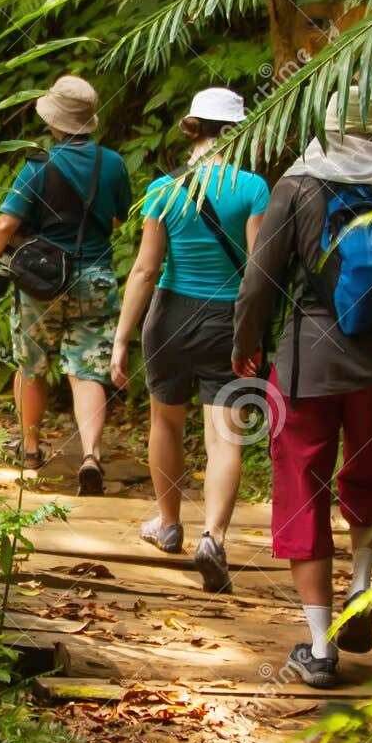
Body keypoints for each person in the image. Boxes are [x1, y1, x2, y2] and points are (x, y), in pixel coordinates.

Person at [232, 91, 372, 687]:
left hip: (306, 367)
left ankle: (320, 648)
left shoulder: (295, 187)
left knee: (302, 487)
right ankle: (361, 586)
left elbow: (259, 281)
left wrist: (246, 341)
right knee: (368, 475)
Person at [109, 87, 270, 593]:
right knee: (225, 435)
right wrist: (255, 332)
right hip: (228, 321)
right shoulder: (252, 188)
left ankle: (169, 523)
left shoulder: (163, 188)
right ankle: (214, 539)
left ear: (191, 127)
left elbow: (145, 268)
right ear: (237, 131)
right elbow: (257, 272)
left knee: (167, 419)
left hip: (170, 315)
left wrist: (120, 339)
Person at [0, 76, 130, 494]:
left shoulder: (38, 165)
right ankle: (90, 456)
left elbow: (7, 222)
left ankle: (29, 450)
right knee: (87, 372)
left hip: (41, 282)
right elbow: (118, 220)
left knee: (31, 364)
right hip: (97, 279)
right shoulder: (113, 163)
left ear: (55, 122)